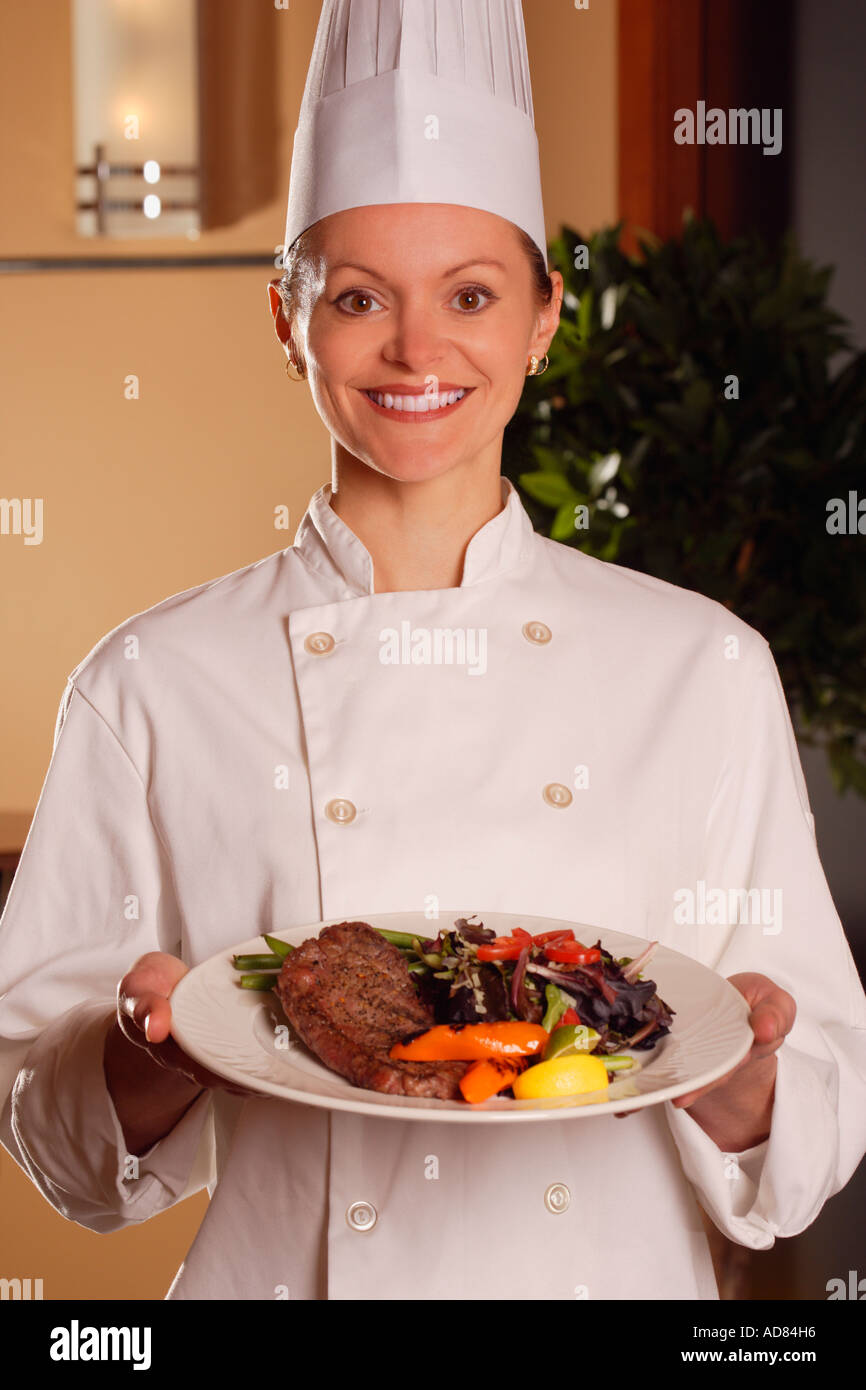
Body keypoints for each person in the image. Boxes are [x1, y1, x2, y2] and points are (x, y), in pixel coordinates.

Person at [1, 0, 865, 1302]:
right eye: (358, 297)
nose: (416, 348)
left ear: (541, 318)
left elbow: (805, 1135)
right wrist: (155, 1046)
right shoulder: (149, 681)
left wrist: (746, 1076)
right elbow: (57, 1141)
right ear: (288, 320)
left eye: (470, 294)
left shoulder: (701, 666)